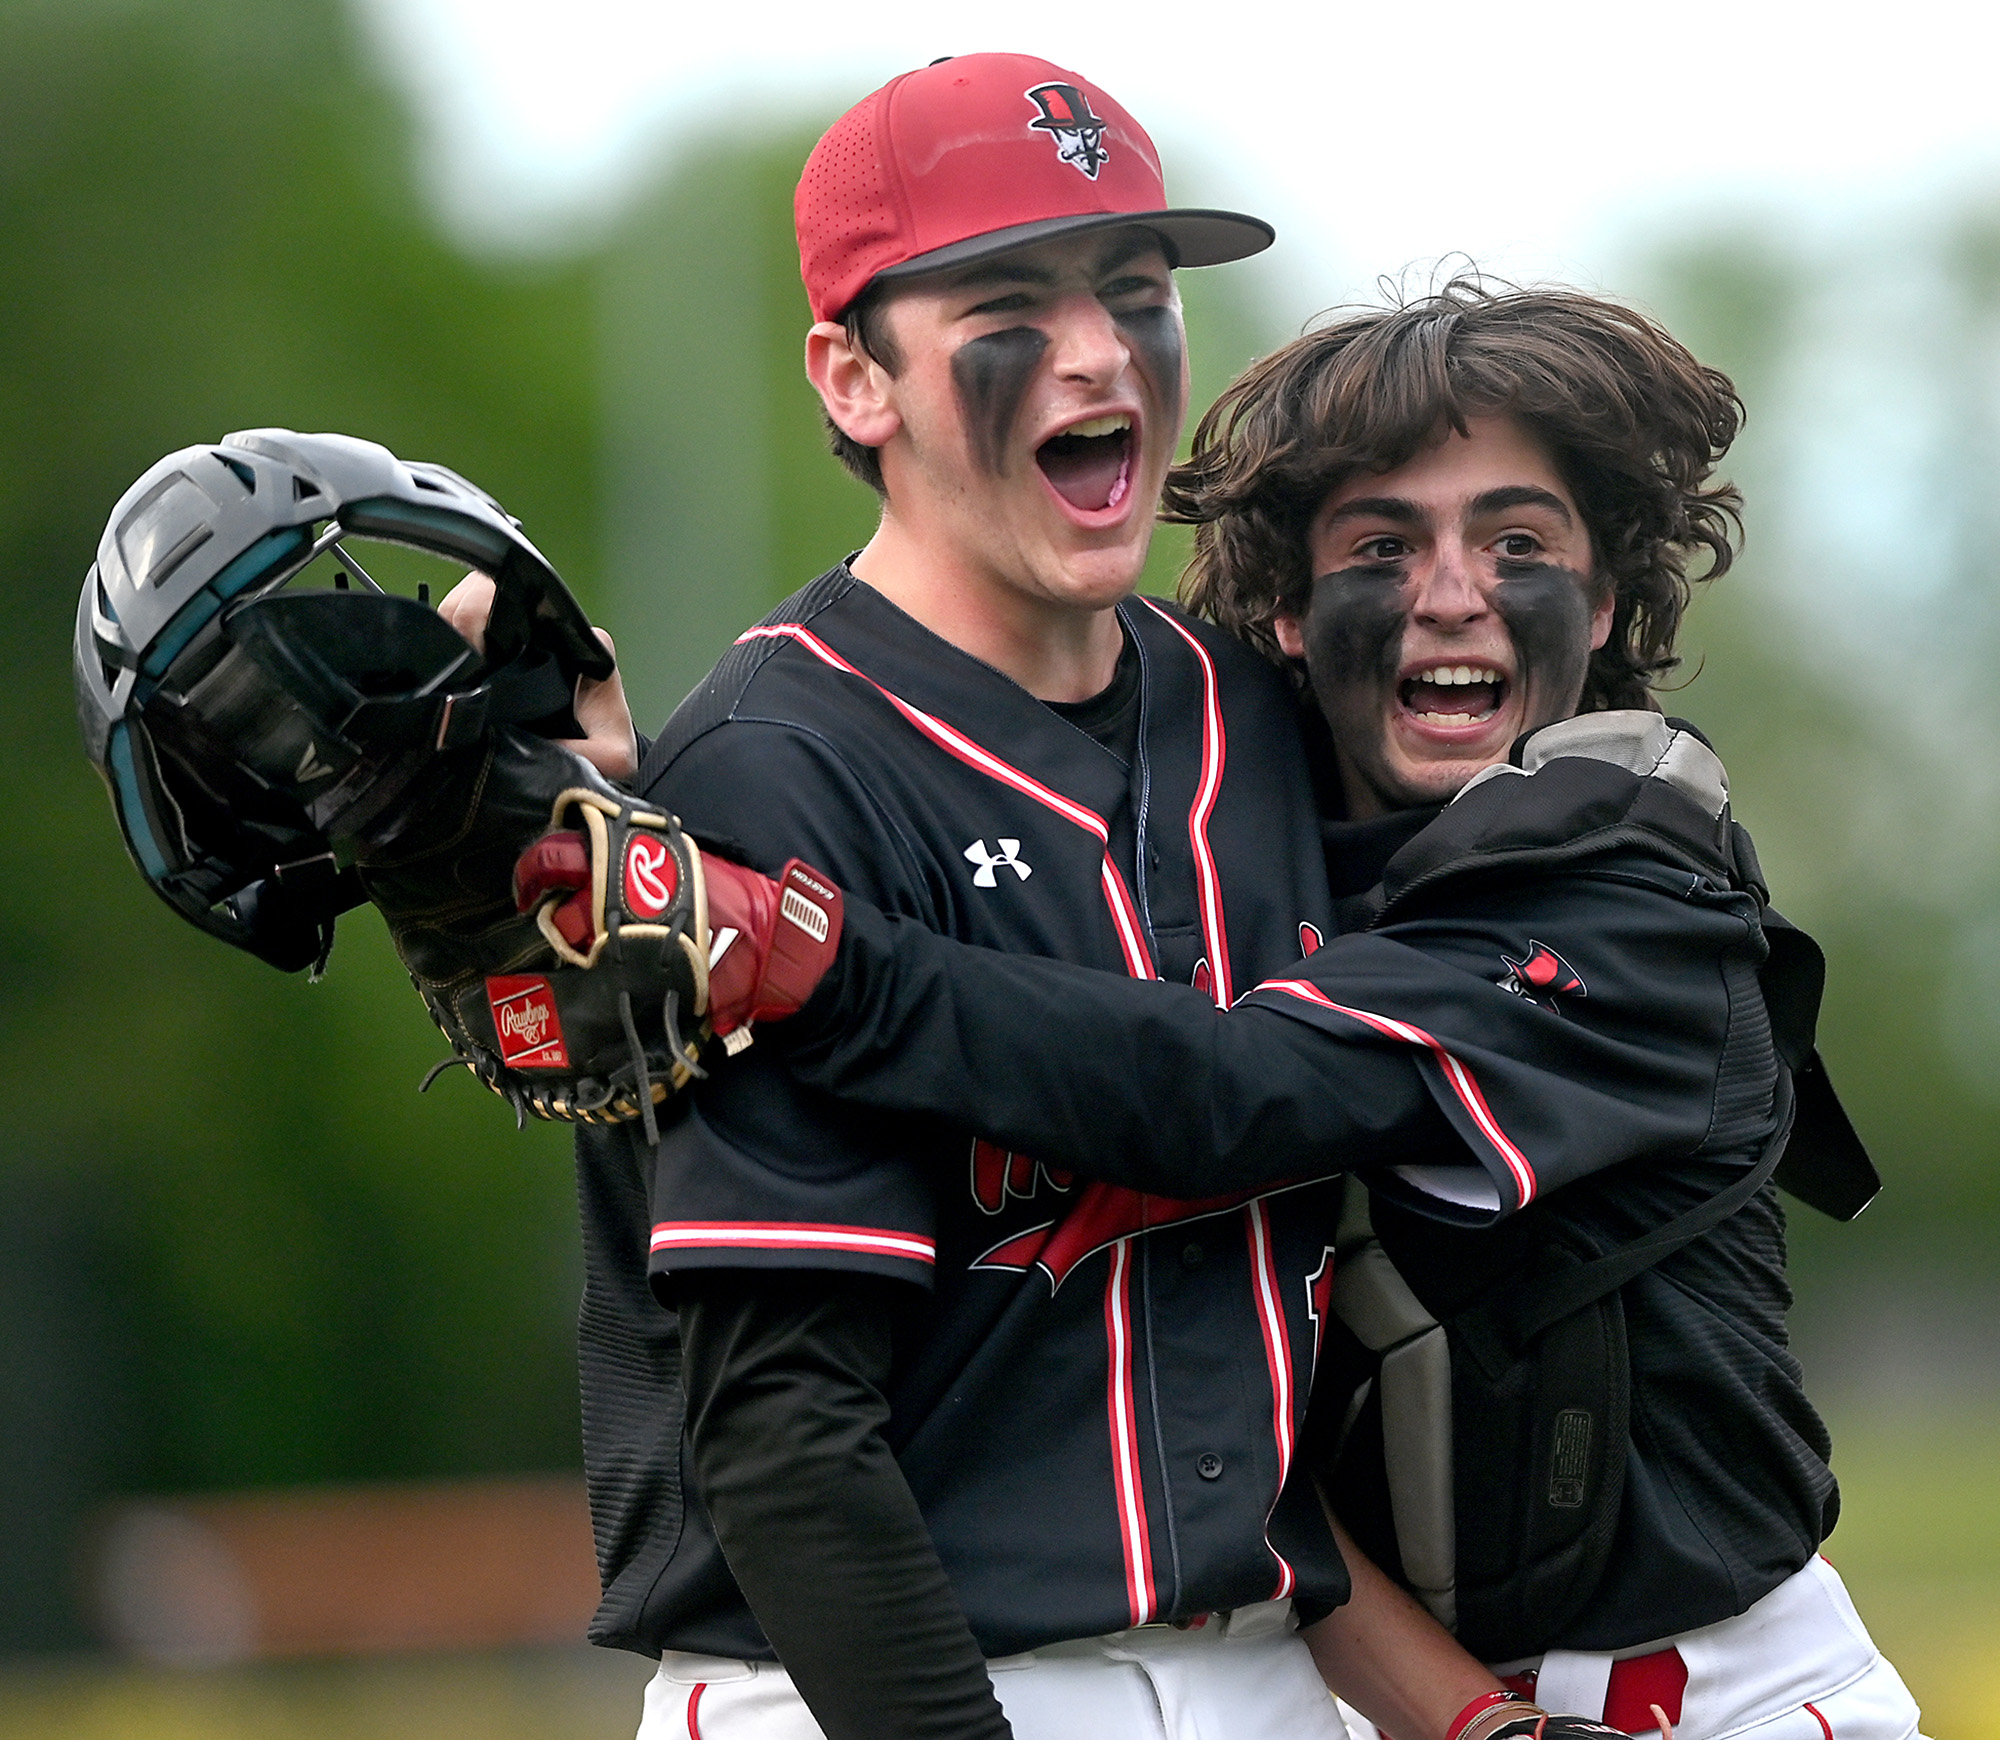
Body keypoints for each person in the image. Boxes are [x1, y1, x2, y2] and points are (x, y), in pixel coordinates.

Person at [522, 53, 1567, 1740]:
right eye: (1010, 301)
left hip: (1265, 1671)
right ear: (854, 378)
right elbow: (786, 1433)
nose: (1099, 351)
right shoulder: (773, 775)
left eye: (1136, 293)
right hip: (878, 1691)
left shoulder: (1249, 711)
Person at [732, 284, 1928, 1740]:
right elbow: (1254, 1459)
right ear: (1288, 614)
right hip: (1415, 1702)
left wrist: (792, 952)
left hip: (1729, 1691)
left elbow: (1225, 1094)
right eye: (1381, 545)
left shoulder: (1629, 881)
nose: (1448, 590)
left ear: (1605, 604)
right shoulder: (1224, 869)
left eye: (1518, 542)